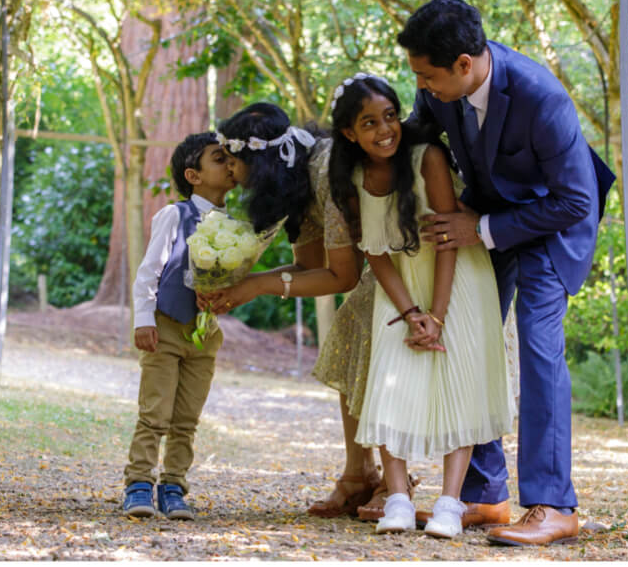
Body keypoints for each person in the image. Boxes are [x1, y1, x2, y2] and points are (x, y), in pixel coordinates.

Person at [397, 0, 616, 546]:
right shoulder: (441, 92)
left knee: (538, 348)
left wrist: (482, 231)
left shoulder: (541, 97)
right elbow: (417, 132)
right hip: (487, 214)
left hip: (553, 226)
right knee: (469, 341)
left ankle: (553, 504)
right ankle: (485, 494)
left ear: (464, 65)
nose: (421, 87)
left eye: (427, 76)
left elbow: (575, 201)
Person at [204, 103, 417, 519]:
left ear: (260, 159)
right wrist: (243, 285)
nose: (229, 173)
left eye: (232, 162)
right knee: (350, 329)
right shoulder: (292, 183)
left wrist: (259, 284)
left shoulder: (326, 169)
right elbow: (309, 269)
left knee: (368, 329)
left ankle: (396, 484)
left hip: (409, 260)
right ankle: (359, 475)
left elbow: (343, 276)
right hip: (377, 265)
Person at [328, 73, 514, 539]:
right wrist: (412, 314)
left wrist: (438, 316)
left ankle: (450, 504)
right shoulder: (350, 176)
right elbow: (375, 253)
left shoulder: (426, 157)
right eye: (369, 123)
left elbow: (449, 238)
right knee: (388, 385)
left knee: (460, 386)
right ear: (350, 133)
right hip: (401, 291)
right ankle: (397, 499)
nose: (384, 129)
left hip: (457, 282)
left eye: (390, 116)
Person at [121, 132, 236, 521]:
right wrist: (143, 318)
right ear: (194, 175)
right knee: (155, 411)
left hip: (205, 334)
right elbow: (149, 271)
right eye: (219, 158)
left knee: (187, 417)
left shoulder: (236, 226)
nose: (229, 165)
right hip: (166, 327)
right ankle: (138, 482)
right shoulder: (175, 215)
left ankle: (173, 486)